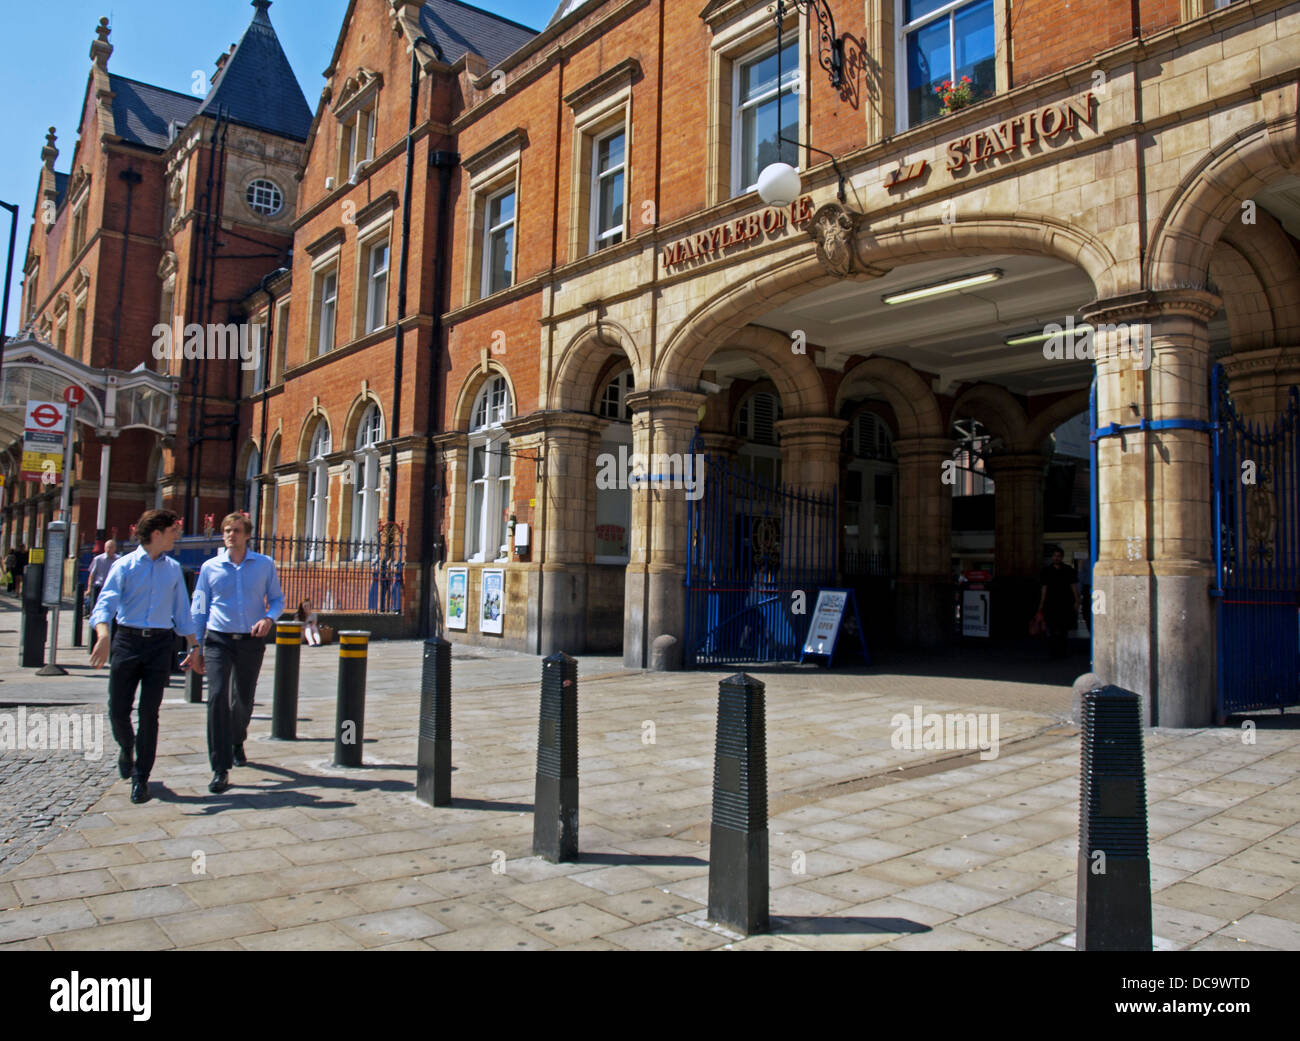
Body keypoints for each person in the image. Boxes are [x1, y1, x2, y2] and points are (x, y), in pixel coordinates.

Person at [89, 510, 202, 805]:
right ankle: (127, 748)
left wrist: (193, 646)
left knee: (149, 713)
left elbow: (181, 610)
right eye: (173, 530)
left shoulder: (173, 569)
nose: (177, 535)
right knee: (118, 709)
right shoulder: (124, 567)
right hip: (127, 641)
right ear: (156, 533)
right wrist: (104, 635)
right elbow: (105, 604)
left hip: (159, 645)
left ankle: (141, 778)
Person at [192, 512, 284, 794]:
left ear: (247, 535)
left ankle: (236, 739)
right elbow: (199, 607)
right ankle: (219, 768)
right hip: (218, 639)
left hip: (250, 640)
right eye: (227, 530)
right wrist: (196, 644)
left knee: (243, 700)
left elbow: (277, 599)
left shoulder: (264, 565)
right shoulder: (210, 567)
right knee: (217, 697)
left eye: (236, 530)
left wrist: (269, 618)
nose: (230, 535)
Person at [1038, 547, 1080, 659]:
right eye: (1054, 556)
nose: (1056, 558)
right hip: (1050, 604)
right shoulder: (1046, 571)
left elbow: (1073, 586)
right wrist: (1041, 605)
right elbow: (1044, 589)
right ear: (1052, 557)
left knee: (1063, 630)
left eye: (1058, 556)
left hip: (1065, 604)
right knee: (1051, 629)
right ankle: (1053, 652)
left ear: (1062, 557)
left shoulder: (1068, 570)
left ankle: (1062, 652)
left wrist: (1077, 601)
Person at [86, 540, 119, 651]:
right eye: (107, 547)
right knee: (98, 613)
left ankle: (110, 643)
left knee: (113, 617)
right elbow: (92, 575)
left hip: (113, 590)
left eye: (111, 547)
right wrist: (89, 588)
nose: (109, 549)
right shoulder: (98, 559)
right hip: (99, 588)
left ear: (115, 548)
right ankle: (95, 642)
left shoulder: (119, 560)